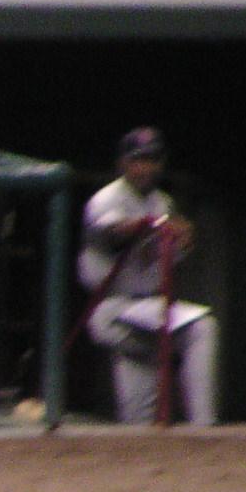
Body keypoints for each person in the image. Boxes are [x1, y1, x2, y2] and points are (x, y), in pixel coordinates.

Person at [78, 127, 216, 426]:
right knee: (202, 329)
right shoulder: (106, 199)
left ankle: (197, 431)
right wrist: (160, 226)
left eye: (151, 160)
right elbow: (114, 232)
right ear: (122, 163)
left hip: (148, 313)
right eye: (137, 159)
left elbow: (168, 253)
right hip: (115, 310)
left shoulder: (162, 202)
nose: (145, 167)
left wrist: (182, 239)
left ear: (161, 163)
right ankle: (204, 427)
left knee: (138, 427)